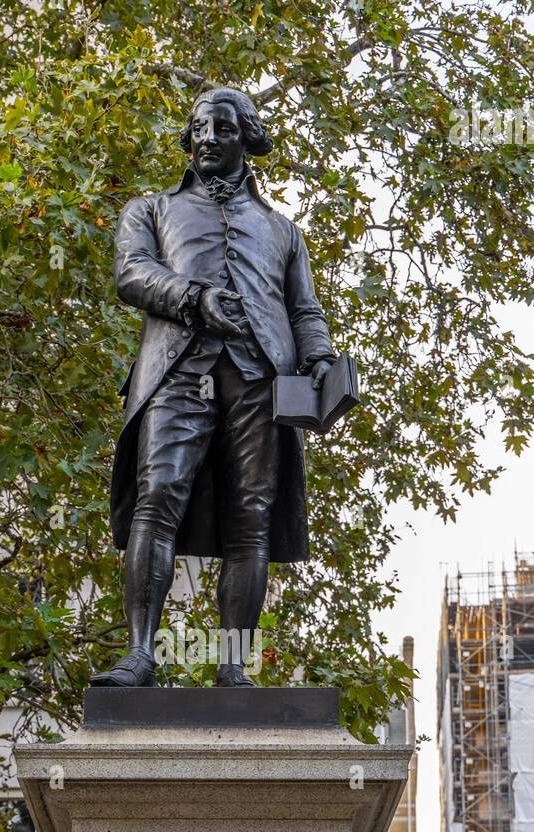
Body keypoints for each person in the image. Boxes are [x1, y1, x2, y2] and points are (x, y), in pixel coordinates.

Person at [92, 87, 336, 689]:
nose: (206, 138)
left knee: (250, 518)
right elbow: (132, 273)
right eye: (199, 128)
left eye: (222, 129)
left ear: (247, 138)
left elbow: (304, 310)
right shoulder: (149, 210)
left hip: (259, 381)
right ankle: (141, 656)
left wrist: (323, 358)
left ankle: (233, 668)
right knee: (159, 496)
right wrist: (195, 299)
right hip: (178, 372)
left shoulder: (282, 230)